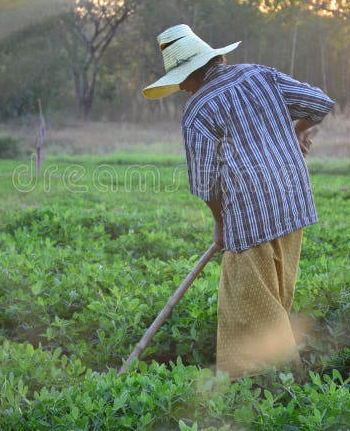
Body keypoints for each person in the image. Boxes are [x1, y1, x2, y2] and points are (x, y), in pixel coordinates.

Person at [142, 24, 335, 378]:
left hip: (251, 215)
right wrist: (296, 133)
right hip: (293, 202)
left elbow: (207, 182)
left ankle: (278, 389)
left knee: (248, 310)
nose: (182, 87)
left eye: (181, 79)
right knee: (275, 299)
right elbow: (320, 104)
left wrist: (221, 226)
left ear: (188, 76)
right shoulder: (261, 75)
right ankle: (277, 387)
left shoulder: (198, 110)